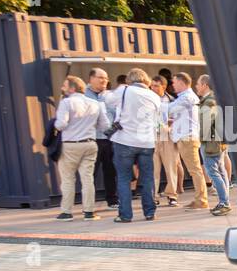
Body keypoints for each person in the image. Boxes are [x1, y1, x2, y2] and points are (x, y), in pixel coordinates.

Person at [53, 76, 109, 220]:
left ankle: (66, 211)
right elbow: (104, 126)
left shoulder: (66, 102)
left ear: (72, 88)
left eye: (65, 86)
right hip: (90, 143)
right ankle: (89, 211)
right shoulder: (95, 103)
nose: (62, 88)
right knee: (87, 178)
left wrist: (55, 124)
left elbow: (61, 124)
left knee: (68, 179)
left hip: (70, 144)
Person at [109, 68, 160, 222]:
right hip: (146, 142)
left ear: (130, 80)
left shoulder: (124, 90)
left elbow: (108, 101)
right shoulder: (154, 95)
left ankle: (125, 215)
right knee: (147, 178)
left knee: (124, 178)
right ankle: (149, 212)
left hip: (124, 141)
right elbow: (157, 119)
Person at [168, 73, 208, 209]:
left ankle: (201, 200)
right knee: (195, 170)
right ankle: (200, 198)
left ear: (181, 82)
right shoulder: (185, 98)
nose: (172, 85)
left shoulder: (187, 98)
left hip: (187, 138)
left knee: (195, 170)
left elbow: (170, 109)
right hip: (186, 138)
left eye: (174, 82)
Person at [197, 75, 231, 215]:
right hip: (219, 141)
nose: (196, 86)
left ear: (205, 84)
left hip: (211, 143)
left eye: (198, 84)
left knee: (214, 173)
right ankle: (225, 201)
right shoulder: (214, 99)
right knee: (221, 171)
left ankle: (224, 203)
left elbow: (206, 124)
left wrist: (201, 139)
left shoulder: (208, 102)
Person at [85, 68, 118, 210]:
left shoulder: (111, 96)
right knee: (90, 172)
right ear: (91, 78)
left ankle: (112, 200)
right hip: (91, 139)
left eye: (106, 78)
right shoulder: (83, 96)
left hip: (110, 139)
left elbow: (118, 115)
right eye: (101, 78)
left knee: (111, 170)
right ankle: (88, 203)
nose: (104, 81)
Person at [149, 75, 183, 205]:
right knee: (154, 169)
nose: (153, 88)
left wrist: (171, 123)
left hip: (168, 136)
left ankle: (172, 195)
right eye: (151, 85)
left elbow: (179, 118)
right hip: (152, 137)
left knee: (171, 167)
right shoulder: (147, 99)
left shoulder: (172, 100)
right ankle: (154, 196)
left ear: (163, 86)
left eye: (156, 85)